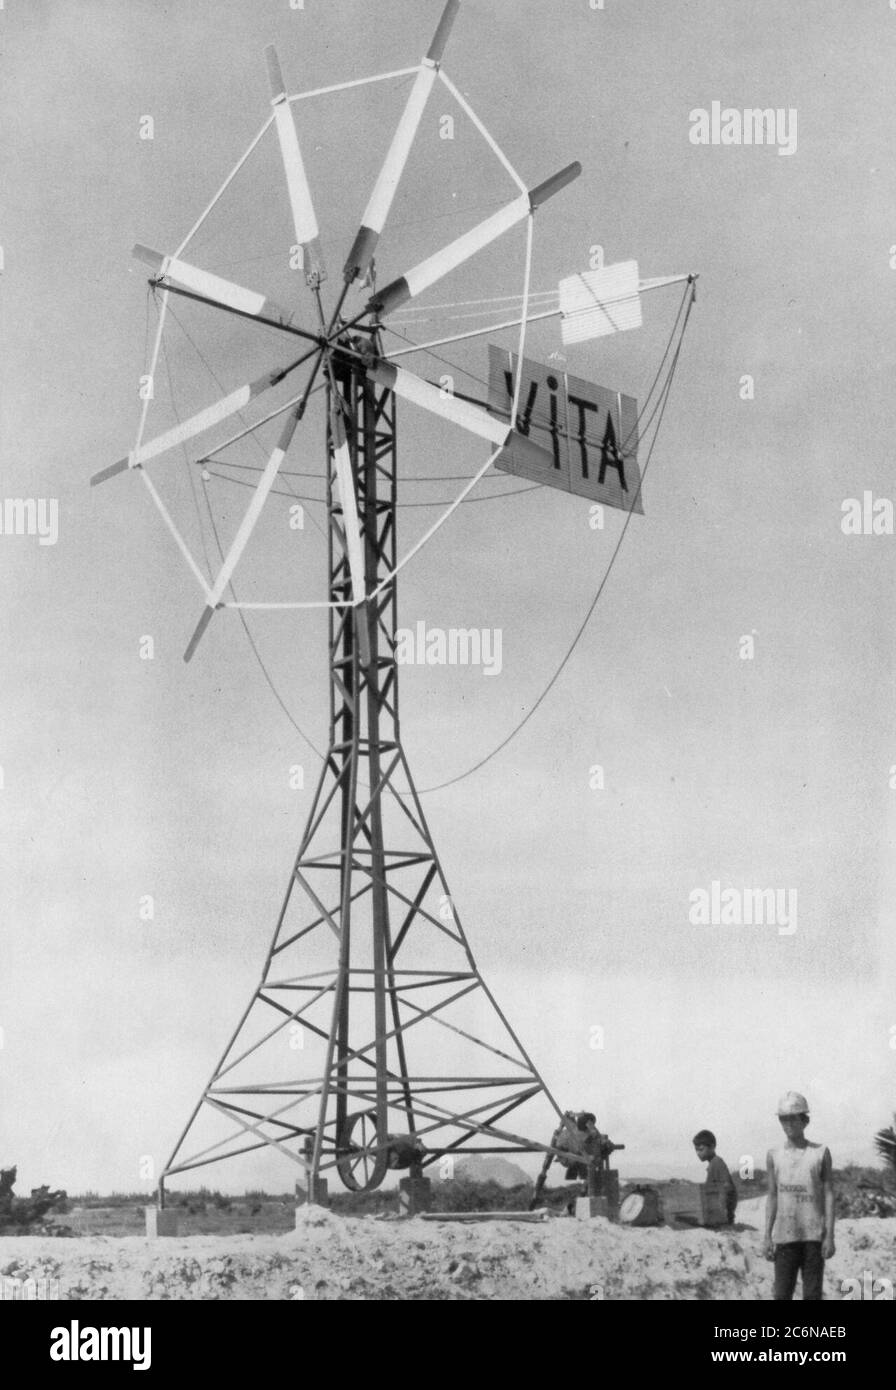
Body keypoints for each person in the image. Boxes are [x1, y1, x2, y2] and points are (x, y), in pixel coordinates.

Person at [764, 1091, 835, 1301]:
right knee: (782, 1294)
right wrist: (767, 1235)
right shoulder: (774, 1155)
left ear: (805, 1120)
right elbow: (772, 1196)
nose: (788, 1124)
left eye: (793, 1118)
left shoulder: (820, 1153)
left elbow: (829, 1194)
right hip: (785, 1237)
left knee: (812, 1295)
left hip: (813, 1236)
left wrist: (829, 1235)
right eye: (783, 1119)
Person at [692, 1129, 738, 1223]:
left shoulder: (717, 1163)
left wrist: (725, 1212)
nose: (698, 1153)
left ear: (712, 1147)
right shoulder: (713, 1164)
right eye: (696, 1150)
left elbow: (729, 1188)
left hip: (722, 1215)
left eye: (701, 1149)